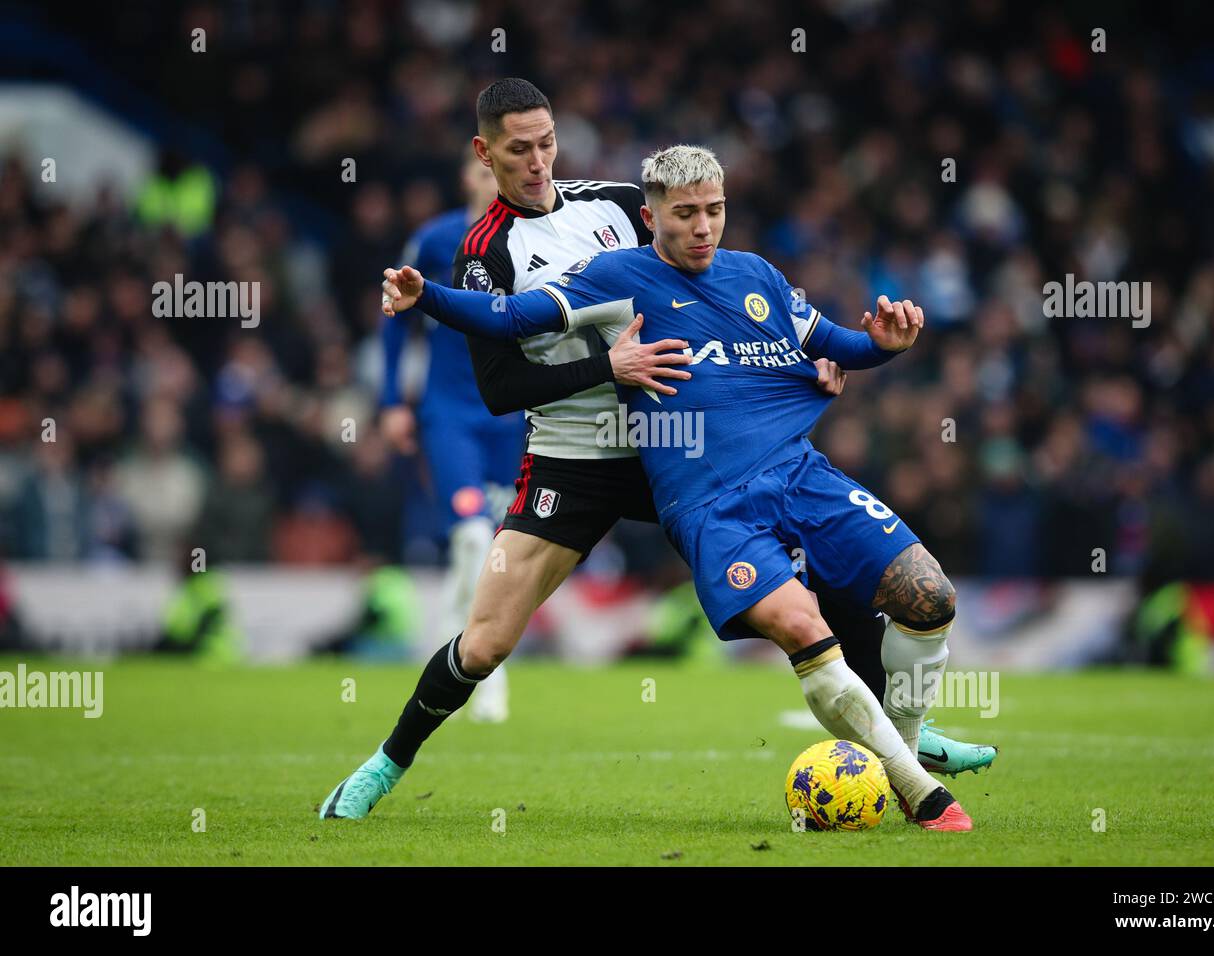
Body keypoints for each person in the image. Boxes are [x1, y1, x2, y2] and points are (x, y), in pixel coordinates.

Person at [371, 145, 977, 830]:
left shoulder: (759, 276)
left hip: (800, 473)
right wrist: (430, 298)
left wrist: (884, 346)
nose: (702, 227)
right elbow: (511, 321)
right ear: (649, 214)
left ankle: (905, 740)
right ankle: (918, 788)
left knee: (928, 596)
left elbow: (836, 343)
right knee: (801, 625)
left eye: (714, 211)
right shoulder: (615, 277)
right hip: (705, 501)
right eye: (685, 214)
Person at [378, 146, 524, 720]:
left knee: (497, 548)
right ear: (467, 174)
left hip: (510, 416)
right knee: (469, 535)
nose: (493, 180)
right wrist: (393, 401)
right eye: (484, 169)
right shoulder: (436, 240)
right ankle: (483, 675)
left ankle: (459, 655)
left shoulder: (530, 240)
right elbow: (392, 315)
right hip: (448, 413)